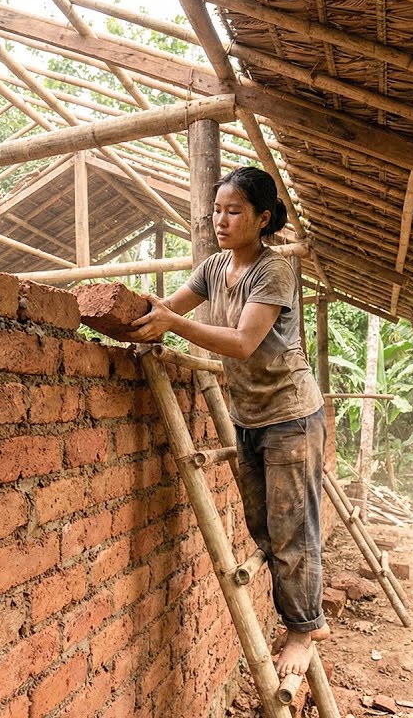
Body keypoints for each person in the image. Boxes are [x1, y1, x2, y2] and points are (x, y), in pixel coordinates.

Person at [128, 166, 328, 679]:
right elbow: (171, 307)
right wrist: (135, 320)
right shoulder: (214, 267)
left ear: (262, 219)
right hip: (249, 415)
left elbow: (242, 342)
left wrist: (172, 325)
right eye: (217, 209)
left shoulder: (274, 270)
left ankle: (303, 630)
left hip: (291, 414)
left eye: (234, 211)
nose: (221, 219)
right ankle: (302, 615)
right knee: (262, 523)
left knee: (290, 528)